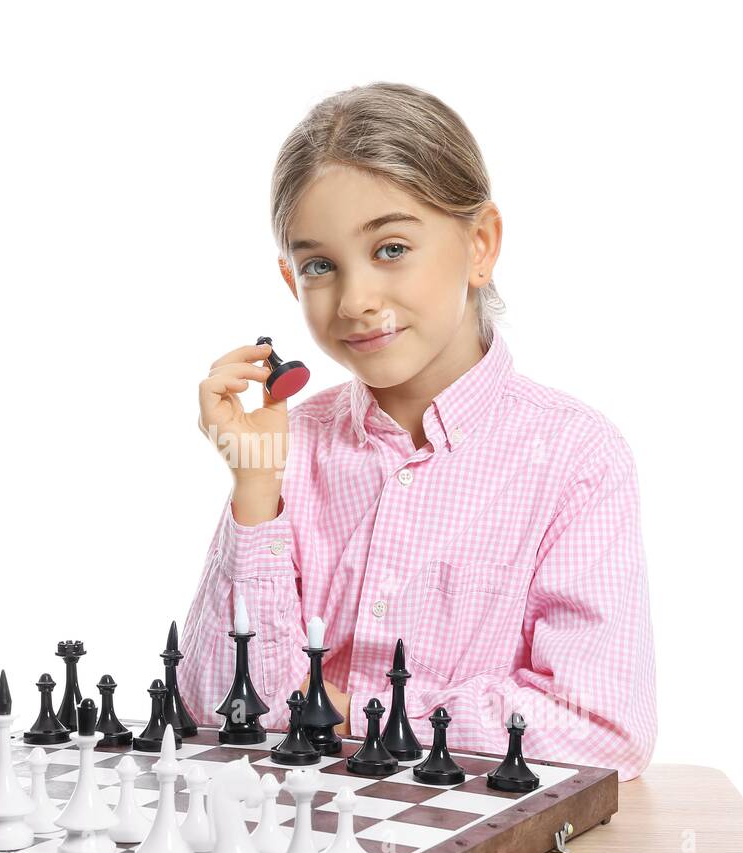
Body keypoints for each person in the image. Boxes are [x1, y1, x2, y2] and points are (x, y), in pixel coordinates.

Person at [179, 82, 656, 780]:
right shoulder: (287, 447)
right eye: (320, 266)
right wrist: (255, 489)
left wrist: (349, 716)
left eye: (392, 248)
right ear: (290, 281)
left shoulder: (575, 457)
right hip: (291, 850)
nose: (357, 300)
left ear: (480, 245)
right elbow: (213, 706)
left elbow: (600, 725)